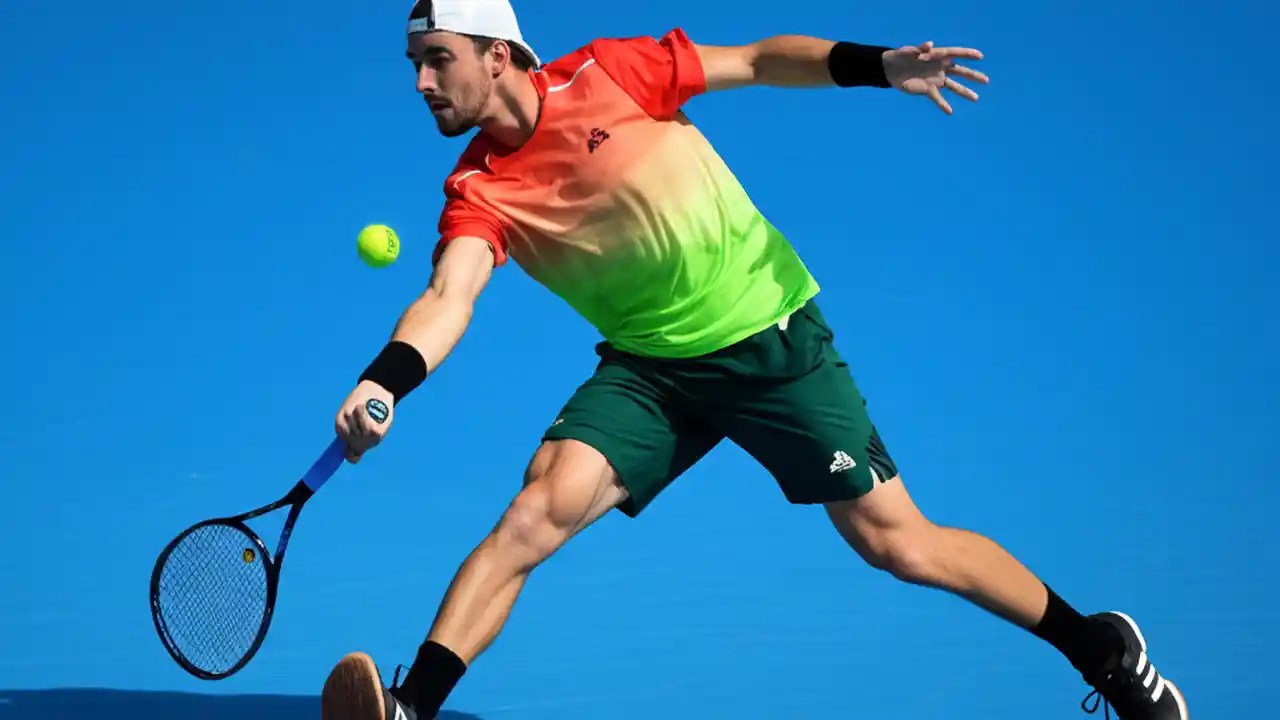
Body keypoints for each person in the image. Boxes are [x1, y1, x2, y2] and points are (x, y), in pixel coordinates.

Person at [321, 1, 1189, 719]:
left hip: (770, 337)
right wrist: (385, 380)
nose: (422, 82)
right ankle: (412, 710)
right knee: (535, 510)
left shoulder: (610, 73)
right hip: (653, 369)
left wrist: (878, 64)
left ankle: (1102, 649)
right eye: (414, 65)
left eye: (436, 58)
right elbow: (448, 297)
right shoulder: (478, 188)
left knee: (899, 545)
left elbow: (762, 60)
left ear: (500, 54)